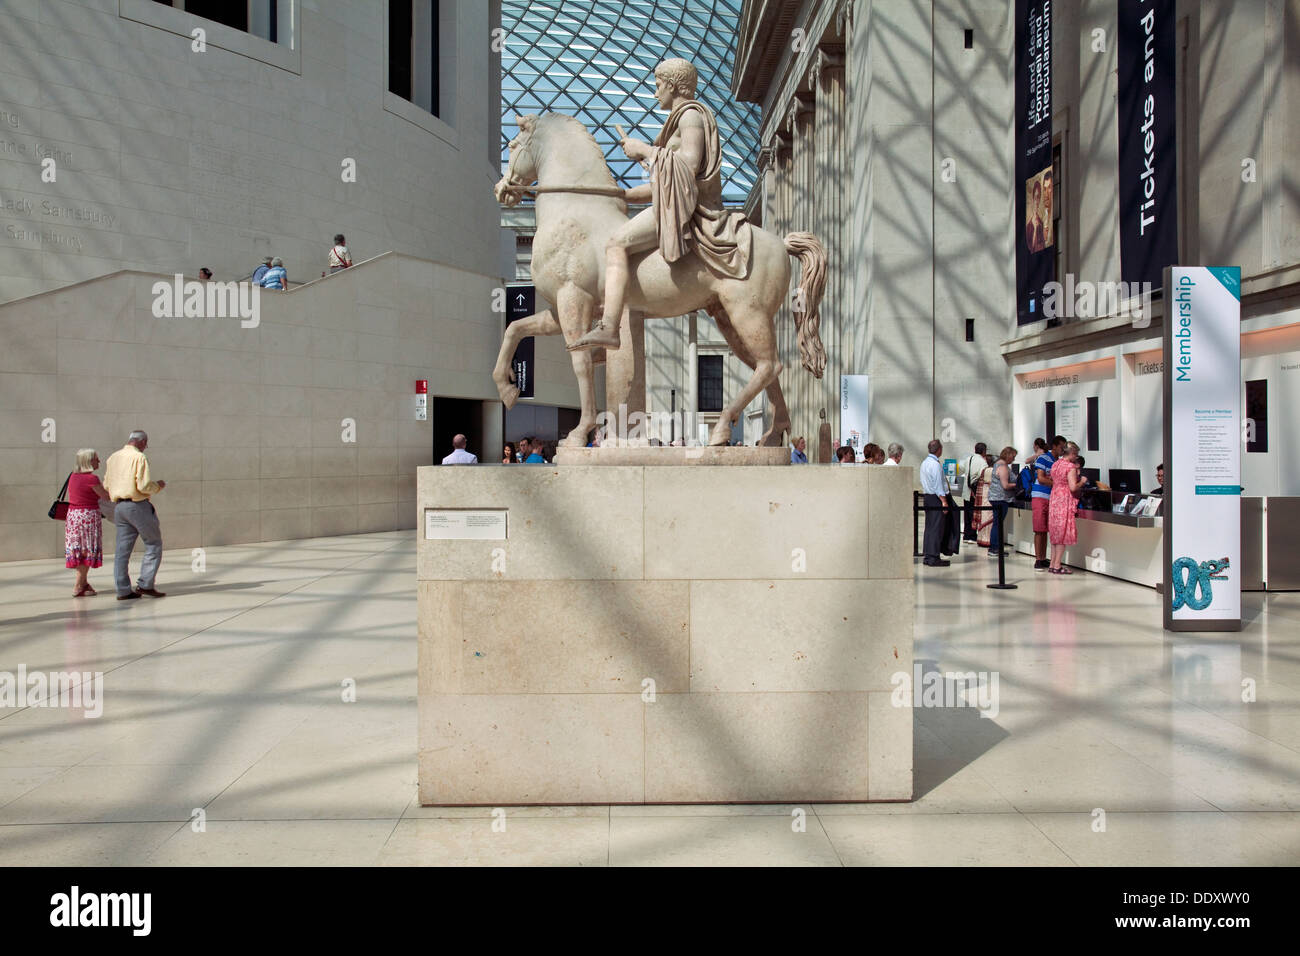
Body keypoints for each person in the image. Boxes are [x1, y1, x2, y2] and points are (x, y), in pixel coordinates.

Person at [568, 58, 751, 352]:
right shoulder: (680, 120)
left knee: (616, 243)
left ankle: (609, 327)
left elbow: (688, 165)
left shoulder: (690, 117)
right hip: (673, 202)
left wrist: (645, 150)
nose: (655, 93)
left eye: (657, 86)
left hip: (688, 210)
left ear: (673, 85)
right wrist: (623, 195)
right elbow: (661, 187)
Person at [102, 430, 166, 600]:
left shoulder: (113, 457)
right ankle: (146, 584)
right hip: (138, 506)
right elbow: (144, 486)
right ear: (142, 441)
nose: (146, 447)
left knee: (122, 550)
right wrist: (158, 486)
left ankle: (123, 590)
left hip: (119, 507)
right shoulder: (139, 457)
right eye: (146, 443)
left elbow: (106, 485)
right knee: (153, 543)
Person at [64, 449, 111, 596]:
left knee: (79, 549)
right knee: (86, 550)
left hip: (73, 516)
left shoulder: (73, 476)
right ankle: (78, 585)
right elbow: (105, 497)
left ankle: (84, 584)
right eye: (96, 459)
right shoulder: (92, 479)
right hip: (87, 517)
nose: (99, 461)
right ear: (88, 461)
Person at [1048, 442, 1086, 574]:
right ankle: (1057, 565)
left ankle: (1052, 564)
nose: (1076, 457)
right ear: (1072, 453)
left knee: (1055, 533)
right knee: (1062, 533)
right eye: (1076, 454)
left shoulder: (1055, 464)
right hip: (1064, 500)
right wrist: (1082, 481)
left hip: (1054, 498)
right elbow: (1073, 487)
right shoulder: (1070, 467)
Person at [1032, 435, 1066, 572]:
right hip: (1040, 496)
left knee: (1046, 529)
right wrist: (1058, 484)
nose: (1063, 449)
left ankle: (1043, 558)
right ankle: (1038, 559)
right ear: (1055, 446)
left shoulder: (1058, 461)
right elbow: (1040, 478)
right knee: (1039, 529)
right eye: (1061, 447)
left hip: (1052, 497)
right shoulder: (1043, 458)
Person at [920, 439, 951, 567]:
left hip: (928, 497)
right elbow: (938, 485)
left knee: (930, 527)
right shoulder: (935, 465)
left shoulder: (924, 463)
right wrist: (944, 501)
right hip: (936, 498)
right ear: (939, 450)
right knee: (936, 528)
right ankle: (933, 556)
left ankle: (928, 555)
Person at [986, 446, 1018, 557]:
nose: (1013, 459)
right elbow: (1005, 485)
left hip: (995, 497)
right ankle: (995, 548)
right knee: (997, 524)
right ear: (1008, 455)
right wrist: (1017, 485)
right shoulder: (1003, 467)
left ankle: (994, 547)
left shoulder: (997, 464)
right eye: (1013, 457)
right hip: (1000, 498)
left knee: (996, 523)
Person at [961, 442, 988, 541]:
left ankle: (966, 535)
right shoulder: (982, 462)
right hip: (975, 491)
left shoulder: (968, 459)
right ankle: (972, 535)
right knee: (974, 513)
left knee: (967, 514)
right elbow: (983, 475)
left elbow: (963, 470)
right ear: (984, 451)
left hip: (966, 491)